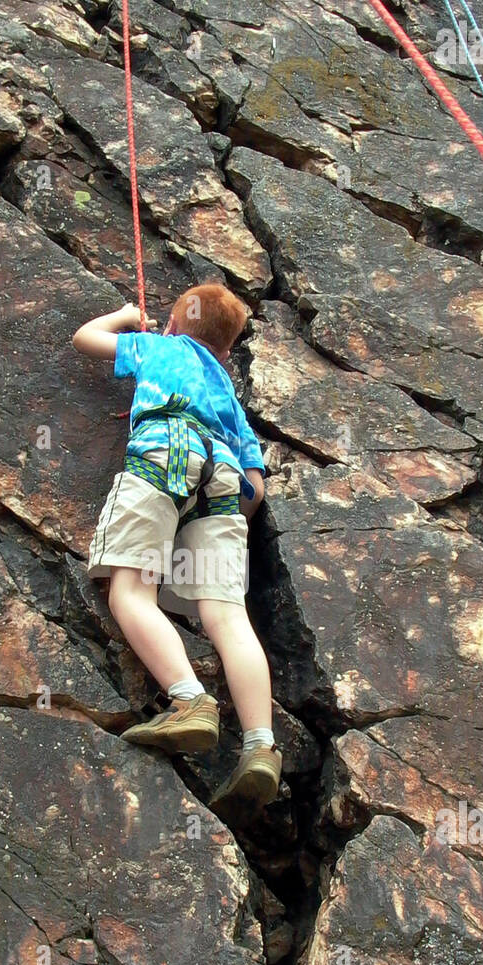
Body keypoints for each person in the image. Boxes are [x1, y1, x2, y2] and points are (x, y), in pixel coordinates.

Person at [72, 283, 280, 813]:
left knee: (130, 593)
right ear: (227, 351)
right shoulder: (229, 395)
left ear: (173, 325)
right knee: (228, 616)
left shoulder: (161, 347)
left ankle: (188, 699)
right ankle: (261, 745)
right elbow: (255, 486)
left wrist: (122, 315)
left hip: (165, 451)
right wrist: (217, 522)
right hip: (225, 479)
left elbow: (85, 339)